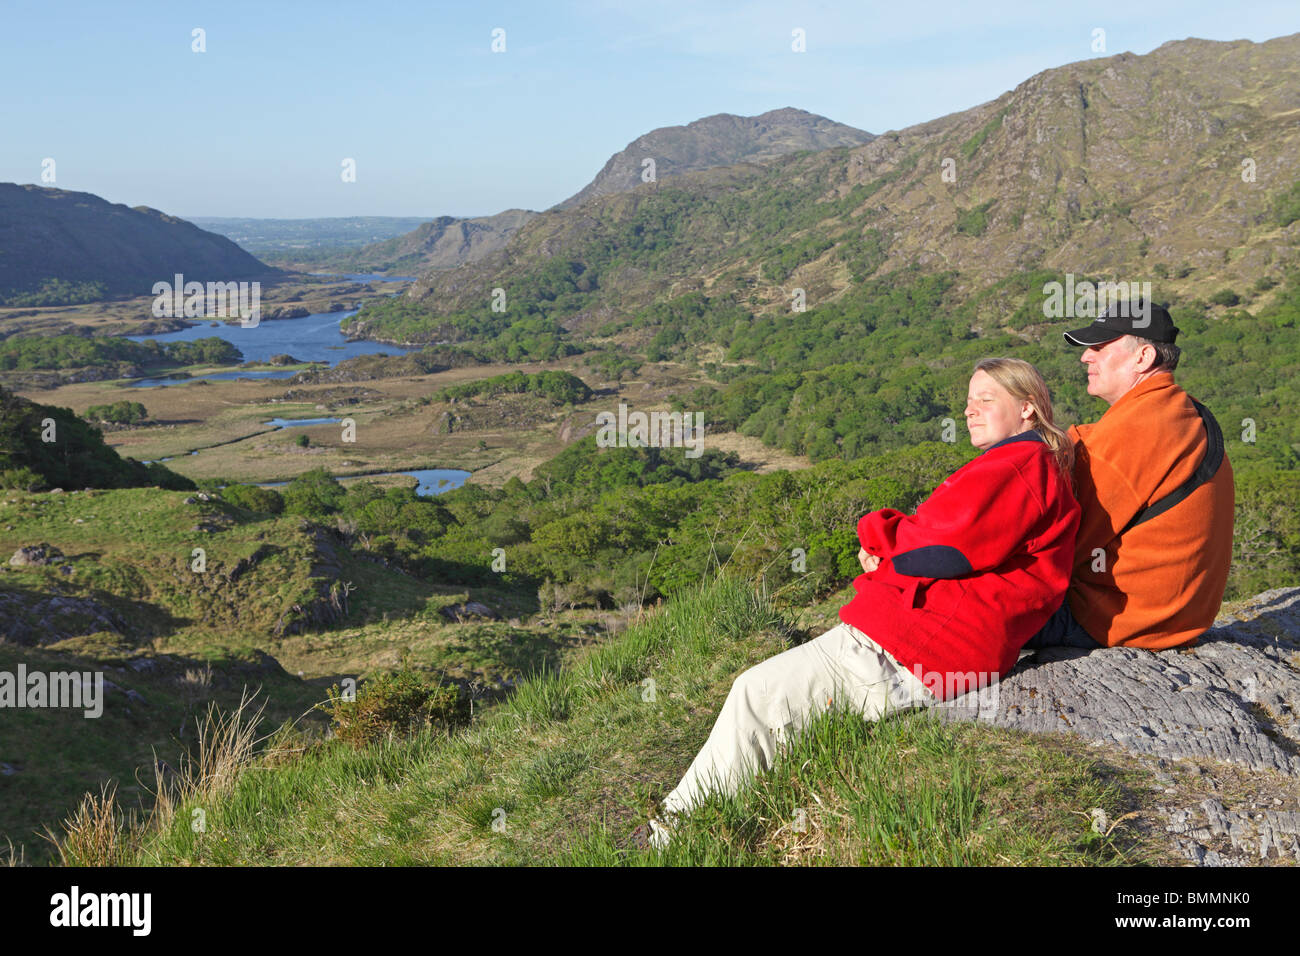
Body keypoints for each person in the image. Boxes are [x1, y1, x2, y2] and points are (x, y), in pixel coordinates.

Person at [631, 357, 1080, 850]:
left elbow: (946, 550)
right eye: (969, 401)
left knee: (755, 693)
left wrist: (877, 533)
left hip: (915, 645)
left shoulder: (1018, 465)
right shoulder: (1036, 464)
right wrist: (893, 565)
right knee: (776, 707)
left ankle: (670, 837)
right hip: (940, 641)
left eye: (986, 400)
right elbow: (966, 553)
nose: (971, 411)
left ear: (1029, 408)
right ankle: (719, 818)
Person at [1024, 300, 1234, 651]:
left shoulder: (1136, 430)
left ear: (1143, 357)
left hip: (1116, 620)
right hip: (1179, 618)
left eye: (1101, 347)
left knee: (954, 602)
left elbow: (1063, 548)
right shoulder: (1183, 411)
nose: (1086, 357)